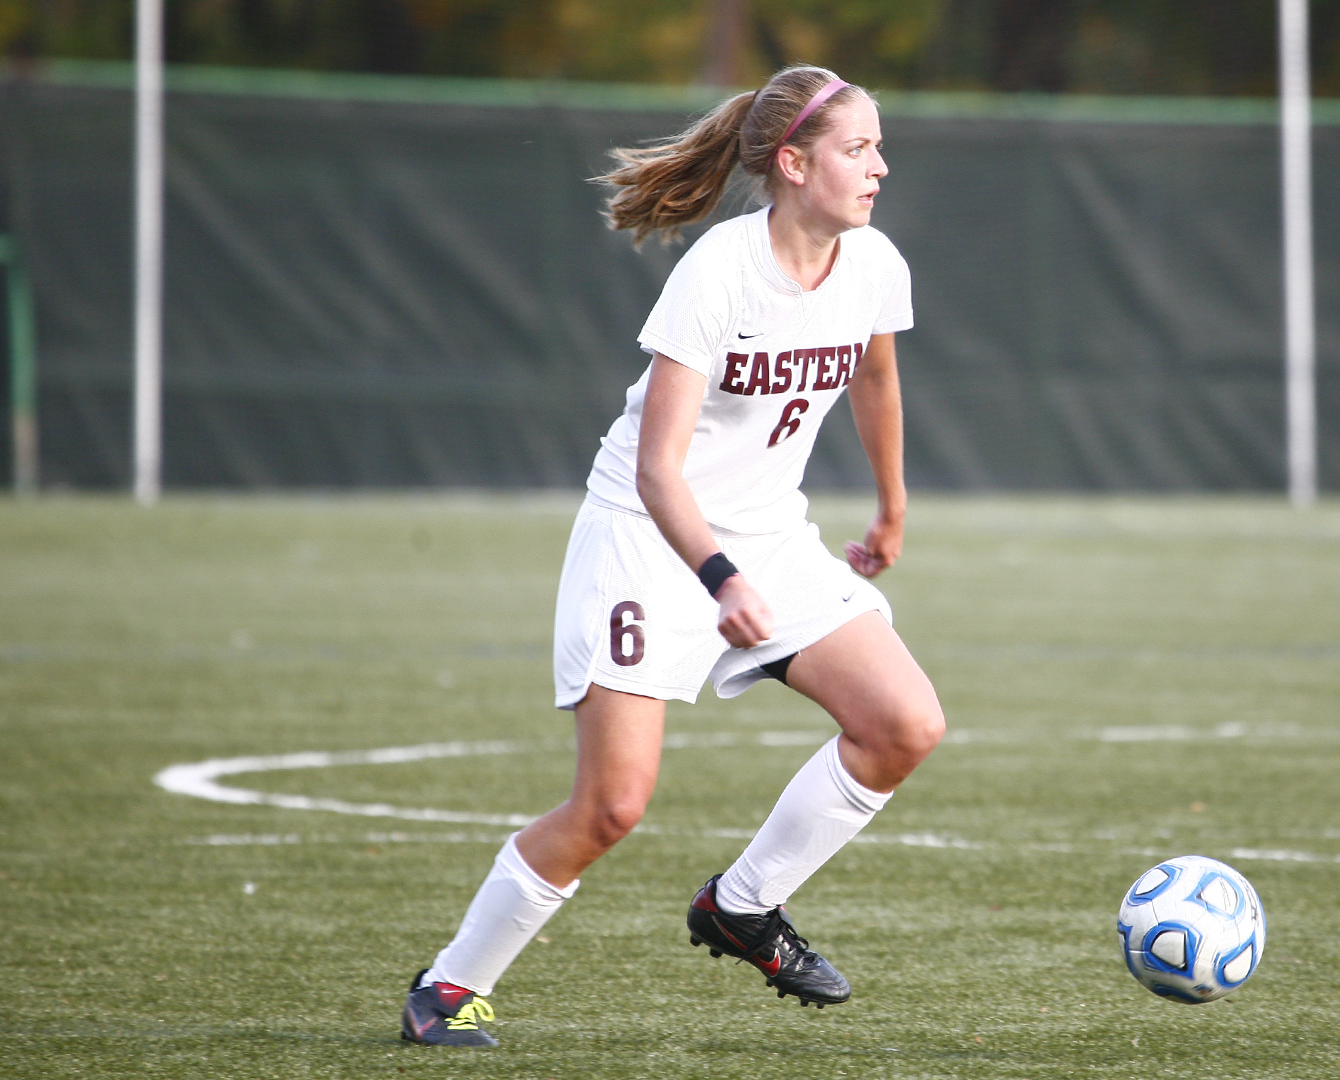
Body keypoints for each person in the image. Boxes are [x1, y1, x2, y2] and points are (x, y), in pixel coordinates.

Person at [400, 64, 945, 1048]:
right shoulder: (721, 273)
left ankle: (741, 907)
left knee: (904, 723)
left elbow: (874, 376)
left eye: (877, 147)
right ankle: (445, 990)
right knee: (612, 804)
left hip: (769, 536)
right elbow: (658, 470)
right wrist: (718, 577)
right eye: (859, 149)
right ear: (793, 162)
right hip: (650, 541)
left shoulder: (872, 266)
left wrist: (893, 508)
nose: (880, 168)